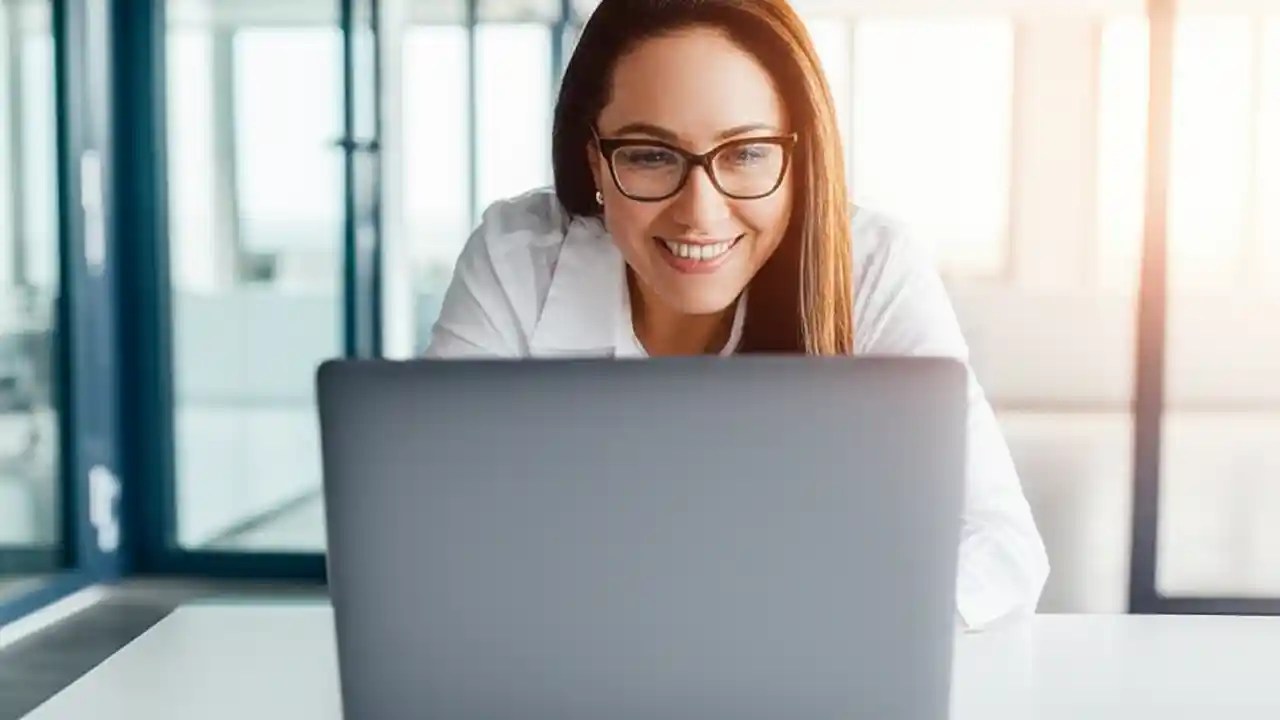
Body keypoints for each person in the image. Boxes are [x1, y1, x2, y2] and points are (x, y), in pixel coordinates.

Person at [425, 0, 1048, 630]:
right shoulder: (517, 258)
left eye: (746, 153)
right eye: (649, 154)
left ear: (798, 160)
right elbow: (424, 523)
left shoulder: (871, 264)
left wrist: (811, 626)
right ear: (595, 161)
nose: (700, 211)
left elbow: (1001, 549)